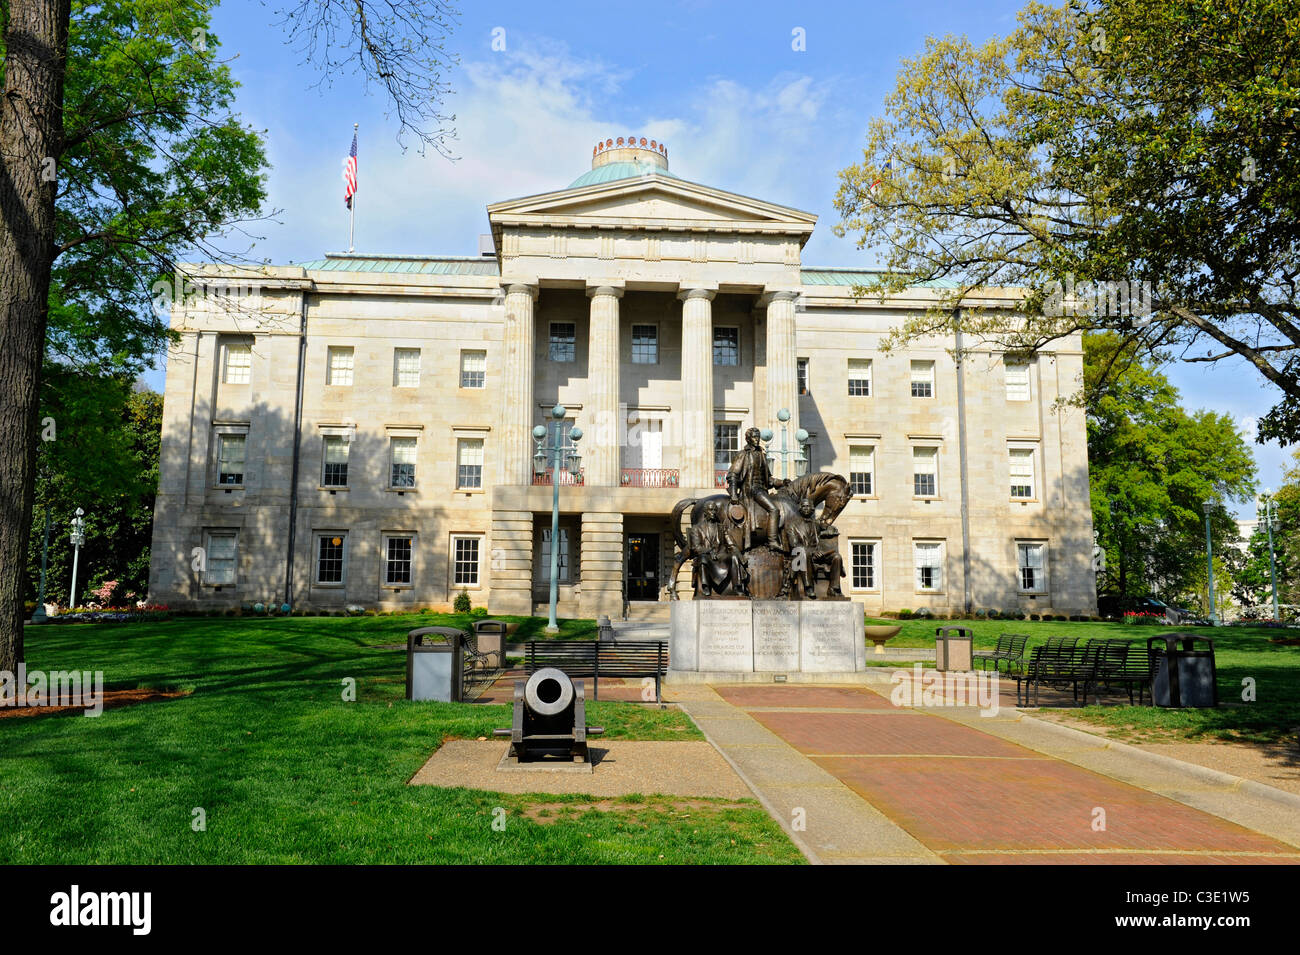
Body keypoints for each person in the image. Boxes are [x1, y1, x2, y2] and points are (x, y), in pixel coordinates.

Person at [725, 426, 786, 547]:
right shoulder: (743, 455)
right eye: (754, 437)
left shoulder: (762, 455)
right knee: (774, 510)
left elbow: (768, 480)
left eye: (758, 437)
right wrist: (733, 494)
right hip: (751, 491)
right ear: (748, 439)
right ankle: (772, 540)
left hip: (761, 489)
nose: (757, 439)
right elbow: (733, 475)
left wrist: (782, 482)